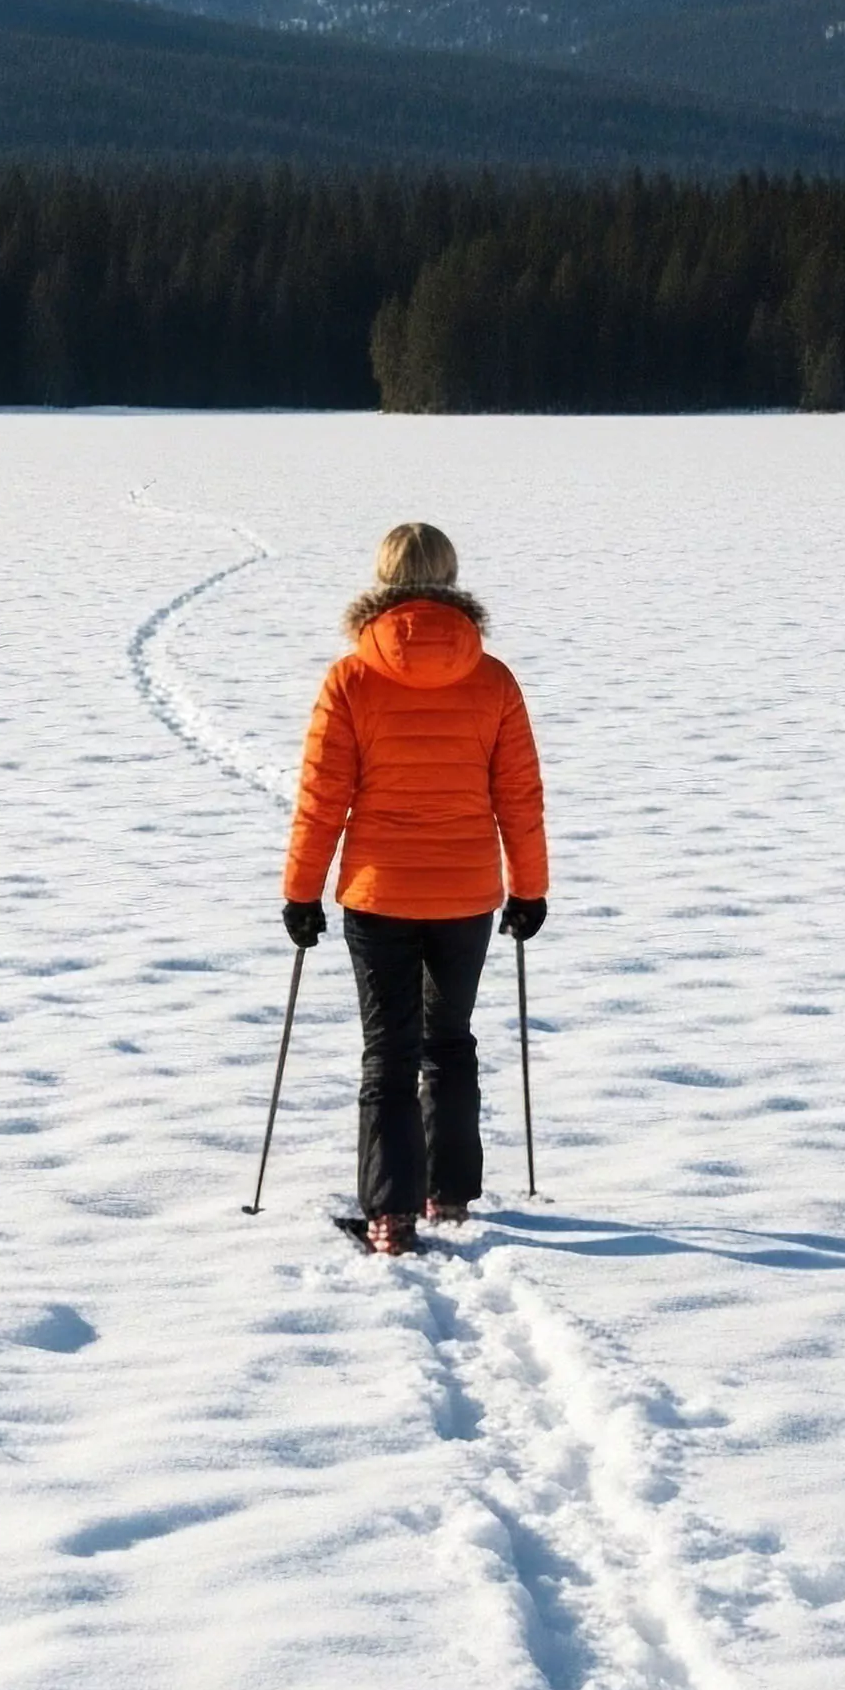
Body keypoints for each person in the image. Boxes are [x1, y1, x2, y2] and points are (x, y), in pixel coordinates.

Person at [280, 522, 548, 1257]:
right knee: (449, 1042)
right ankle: (451, 1194)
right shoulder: (491, 678)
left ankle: (390, 1215)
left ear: (381, 579)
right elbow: (519, 796)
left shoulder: (351, 677)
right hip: (467, 894)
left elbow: (320, 798)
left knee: (387, 1055)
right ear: (451, 578)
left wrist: (302, 893)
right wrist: (530, 888)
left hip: (379, 894)